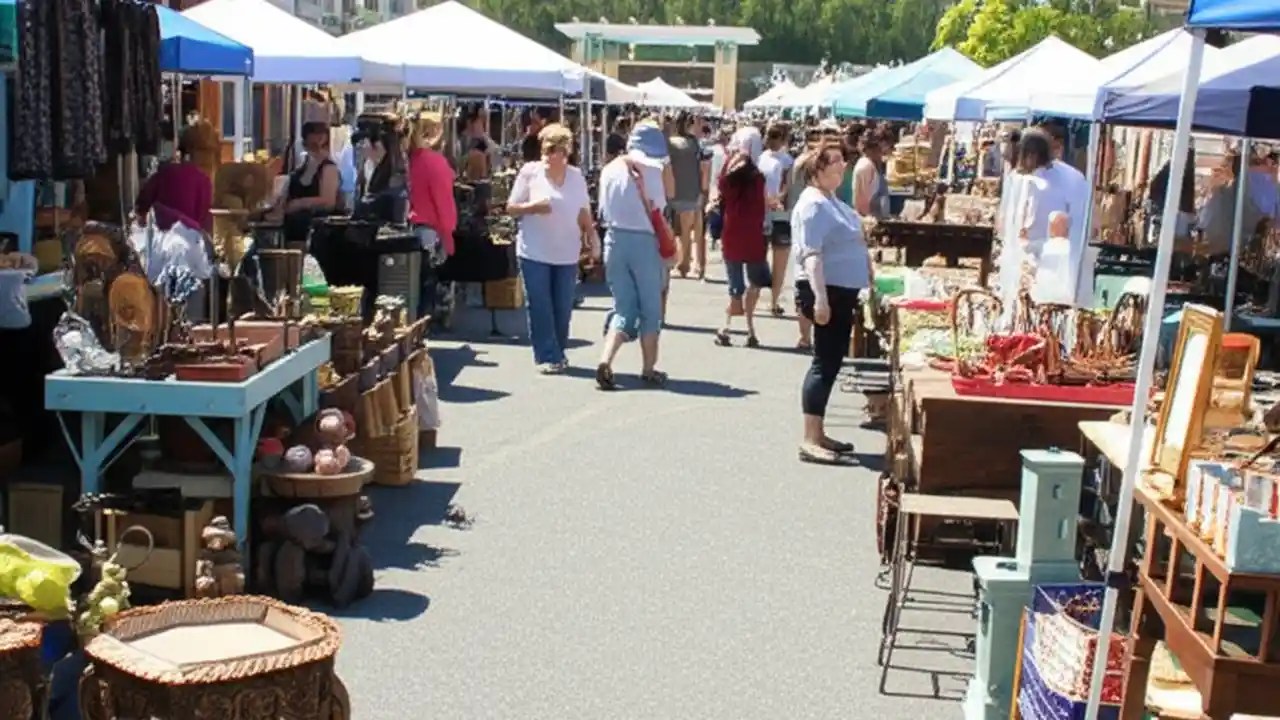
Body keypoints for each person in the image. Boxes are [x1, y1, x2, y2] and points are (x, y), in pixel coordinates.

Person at [792, 142, 870, 465]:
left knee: (833, 361)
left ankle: (819, 431)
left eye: (842, 161)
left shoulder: (832, 201)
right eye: (835, 162)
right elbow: (812, 255)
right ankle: (810, 437)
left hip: (842, 290)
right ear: (818, 169)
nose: (842, 166)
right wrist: (821, 298)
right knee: (823, 363)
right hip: (827, 290)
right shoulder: (812, 205)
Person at [506, 124, 599, 374]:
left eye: (553, 150)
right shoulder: (530, 173)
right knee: (539, 304)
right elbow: (511, 207)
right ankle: (547, 355)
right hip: (533, 251)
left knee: (562, 306)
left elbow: (583, 212)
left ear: (565, 153)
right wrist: (532, 207)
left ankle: (558, 351)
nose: (547, 156)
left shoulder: (576, 177)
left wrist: (592, 237)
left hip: (566, 252)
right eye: (545, 149)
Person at [595, 121, 672, 390]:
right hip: (644, 243)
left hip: (614, 241)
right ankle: (648, 368)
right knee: (651, 308)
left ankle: (606, 359)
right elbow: (659, 207)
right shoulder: (653, 170)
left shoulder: (609, 170)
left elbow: (602, 211)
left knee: (623, 308)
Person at [998, 130, 1070, 318]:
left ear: (1031, 155)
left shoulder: (1030, 182)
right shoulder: (1058, 178)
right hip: (1049, 254)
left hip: (1033, 254)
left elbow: (1024, 221)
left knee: (1027, 306)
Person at [714, 147, 769, 348]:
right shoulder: (758, 179)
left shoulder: (729, 181)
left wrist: (728, 163)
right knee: (754, 284)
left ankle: (727, 327)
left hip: (732, 234)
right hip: (753, 235)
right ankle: (750, 328)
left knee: (735, 287)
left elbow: (720, 185)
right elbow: (763, 204)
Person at [406, 112, 458, 321]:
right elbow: (444, 203)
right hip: (428, 229)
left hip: (406, 226)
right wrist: (448, 236)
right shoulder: (434, 162)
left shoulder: (408, 159)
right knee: (425, 285)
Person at [134, 123, 213, 233]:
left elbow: (141, 208)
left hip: (161, 243)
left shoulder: (163, 174)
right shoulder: (204, 181)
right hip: (190, 244)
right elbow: (203, 223)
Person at [275, 121, 340, 246]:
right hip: (291, 230)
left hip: (314, 231)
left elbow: (328, 201)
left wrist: (300, 203)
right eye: (314, 146)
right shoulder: (301, 168)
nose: (320, 150)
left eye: (324, 145)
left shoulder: (328, 168)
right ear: (305, 145)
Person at [758, 124, 795, 315]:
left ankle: (763, 299)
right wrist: (778, 199)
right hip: (780, 214)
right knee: (778, 261)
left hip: (765, 213)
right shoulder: (788, 161)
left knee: (760, 258)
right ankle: (772, 301)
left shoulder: (760, 159)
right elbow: (788, 187)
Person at [667, 113, 705, 279]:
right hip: (691, 190)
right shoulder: (694, 143)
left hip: (673, 189)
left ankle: (676, 260)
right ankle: (685, 264)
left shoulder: (670, 143)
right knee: (686, 231)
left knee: (671, 229)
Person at [851, 130, 889, 219]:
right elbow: (861, 202)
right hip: (870, 219)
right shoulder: (865, 167)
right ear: (870, 150)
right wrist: (868, 220)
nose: (881, 154)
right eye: (879, 150)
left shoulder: (872, 164)